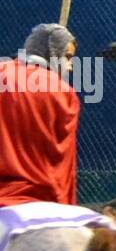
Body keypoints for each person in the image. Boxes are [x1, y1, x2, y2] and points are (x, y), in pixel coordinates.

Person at [0, 23, 80, 207]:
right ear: (52, 53)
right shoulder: (61, 91)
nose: (70, 67)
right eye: (67, 57)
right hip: (38, 199)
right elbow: (63, 161)